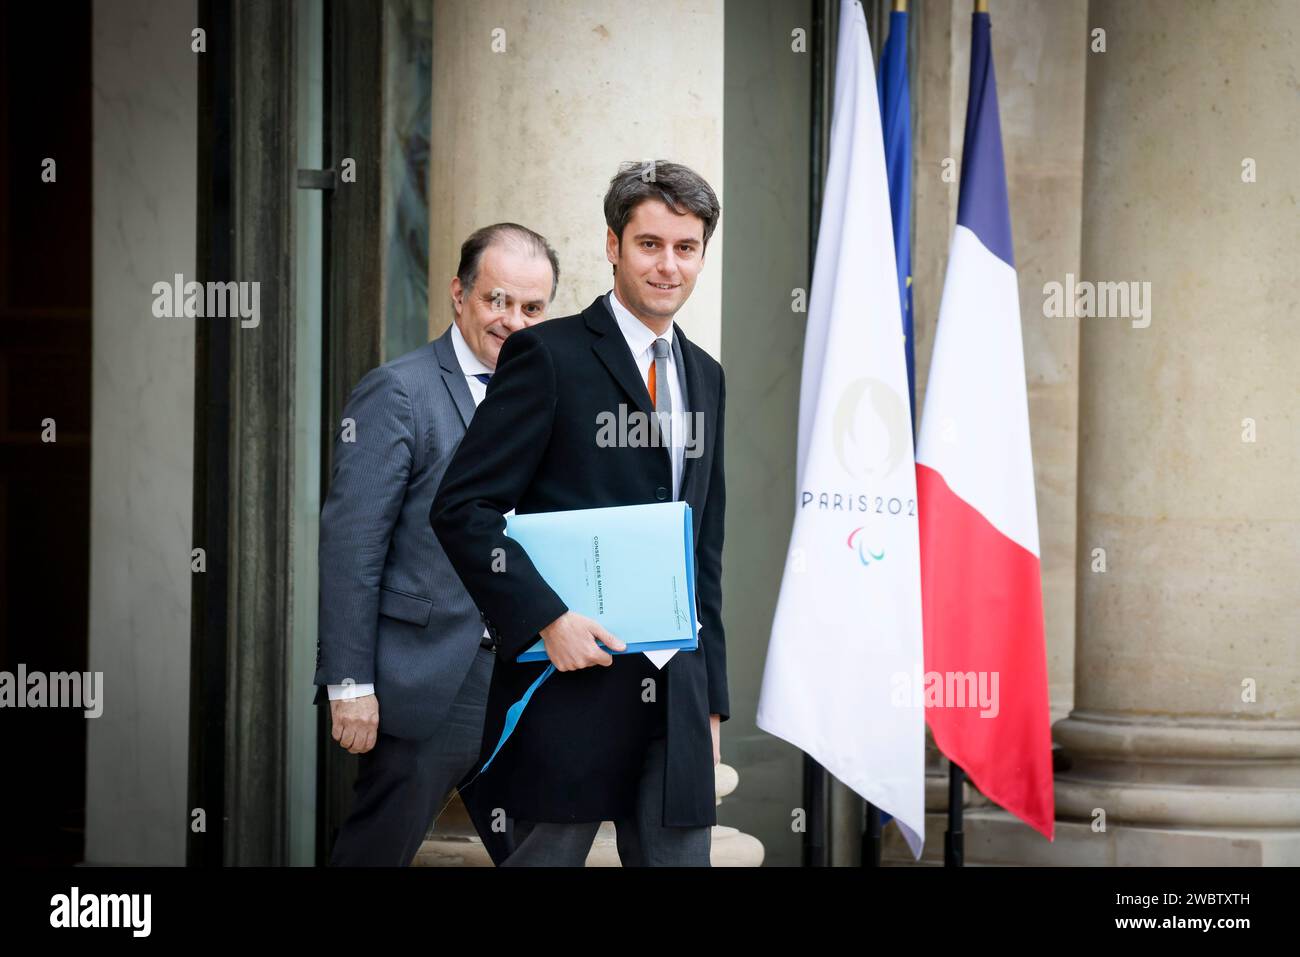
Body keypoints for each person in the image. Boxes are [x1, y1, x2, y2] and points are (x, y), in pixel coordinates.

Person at [432, 161, 728, 866]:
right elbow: (462, 508)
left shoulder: (708, 376)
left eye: (685, 248)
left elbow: (705, 549)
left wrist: (712, 701)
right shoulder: (548, 354)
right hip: (569, 687)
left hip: (677, 693)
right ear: (612, 245)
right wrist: (546, 616)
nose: (667, 265)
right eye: (649, 244)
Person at [315, 223, 559, 866]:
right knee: (375, 853)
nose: (513, 321)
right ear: (459, 295)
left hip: (524, 684)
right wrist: (349, 684)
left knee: (544, 850)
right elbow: (351, 547)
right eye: (496, 300)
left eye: (532, 308)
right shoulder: (399, 391)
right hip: (423, 683)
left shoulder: (548, 399)